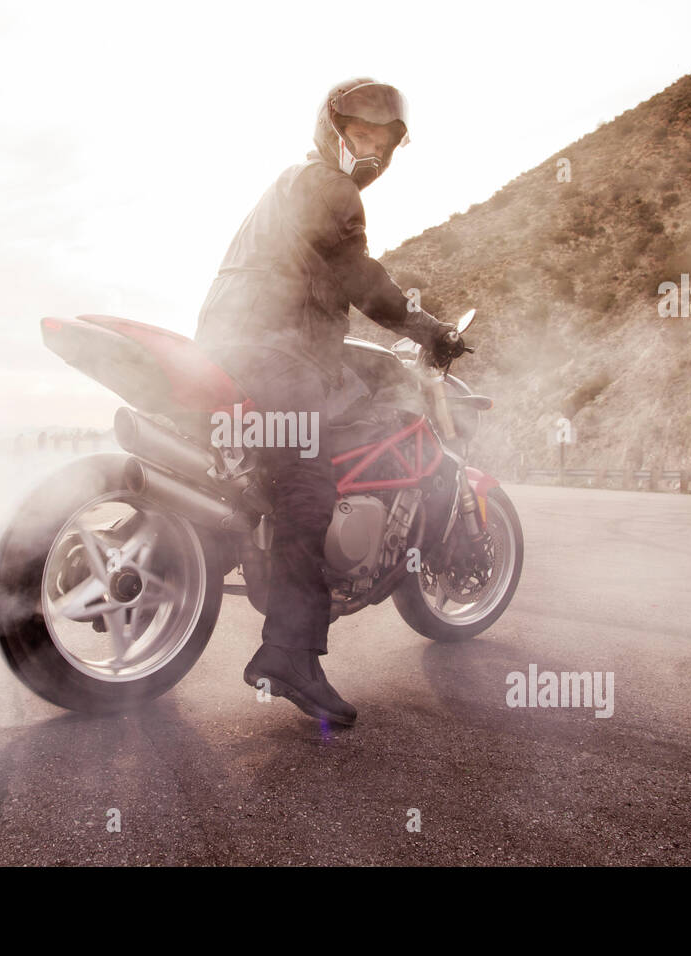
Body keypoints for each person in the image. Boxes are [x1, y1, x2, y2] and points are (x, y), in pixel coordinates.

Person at [194, 77, 468, 727]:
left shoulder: (292, 186)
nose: (368, 149)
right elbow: (361, 279)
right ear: (331, 128)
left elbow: (323, 284)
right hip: (269, 351)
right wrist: (431, 332)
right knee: (308, 480)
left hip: (240, 344)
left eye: (380, 140)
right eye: (359, 133)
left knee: (307, 444)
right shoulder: (328, 185)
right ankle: (288, 651)